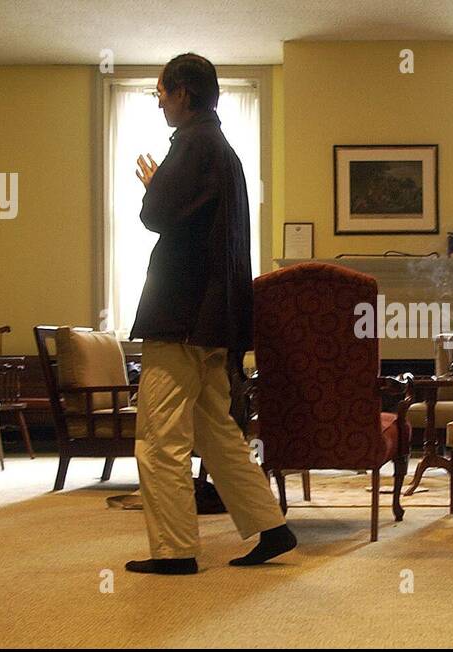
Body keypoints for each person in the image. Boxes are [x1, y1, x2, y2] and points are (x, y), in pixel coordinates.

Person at [125, 53, 295, 575]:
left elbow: (154, 215)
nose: (159, 102)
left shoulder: (194, 143)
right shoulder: (224, 151)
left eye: (162, 93)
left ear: (184, 93)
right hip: (215, 318)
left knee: (158, 439)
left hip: (179, 316)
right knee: (216, 432)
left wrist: (154, 185)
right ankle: (271, 527)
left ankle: (175, 552)